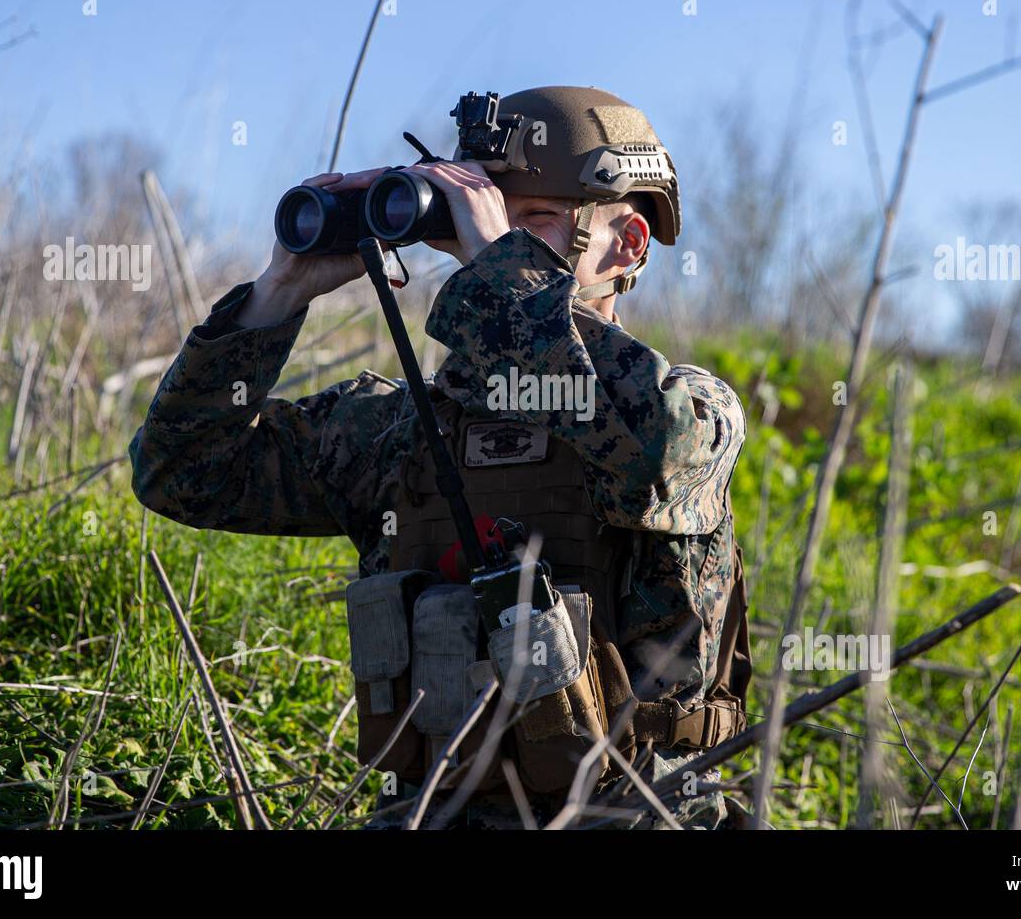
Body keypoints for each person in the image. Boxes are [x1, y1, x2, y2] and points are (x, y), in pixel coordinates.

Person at [129, 86, 752, 828]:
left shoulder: (691, 409)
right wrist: (280, 292)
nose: (488, 241)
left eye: (536, 220)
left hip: (635, 810)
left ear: (626, 245)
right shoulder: (401, 430)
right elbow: (181, 472)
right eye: (482, 215)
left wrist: (499, 262)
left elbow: (649, 451)